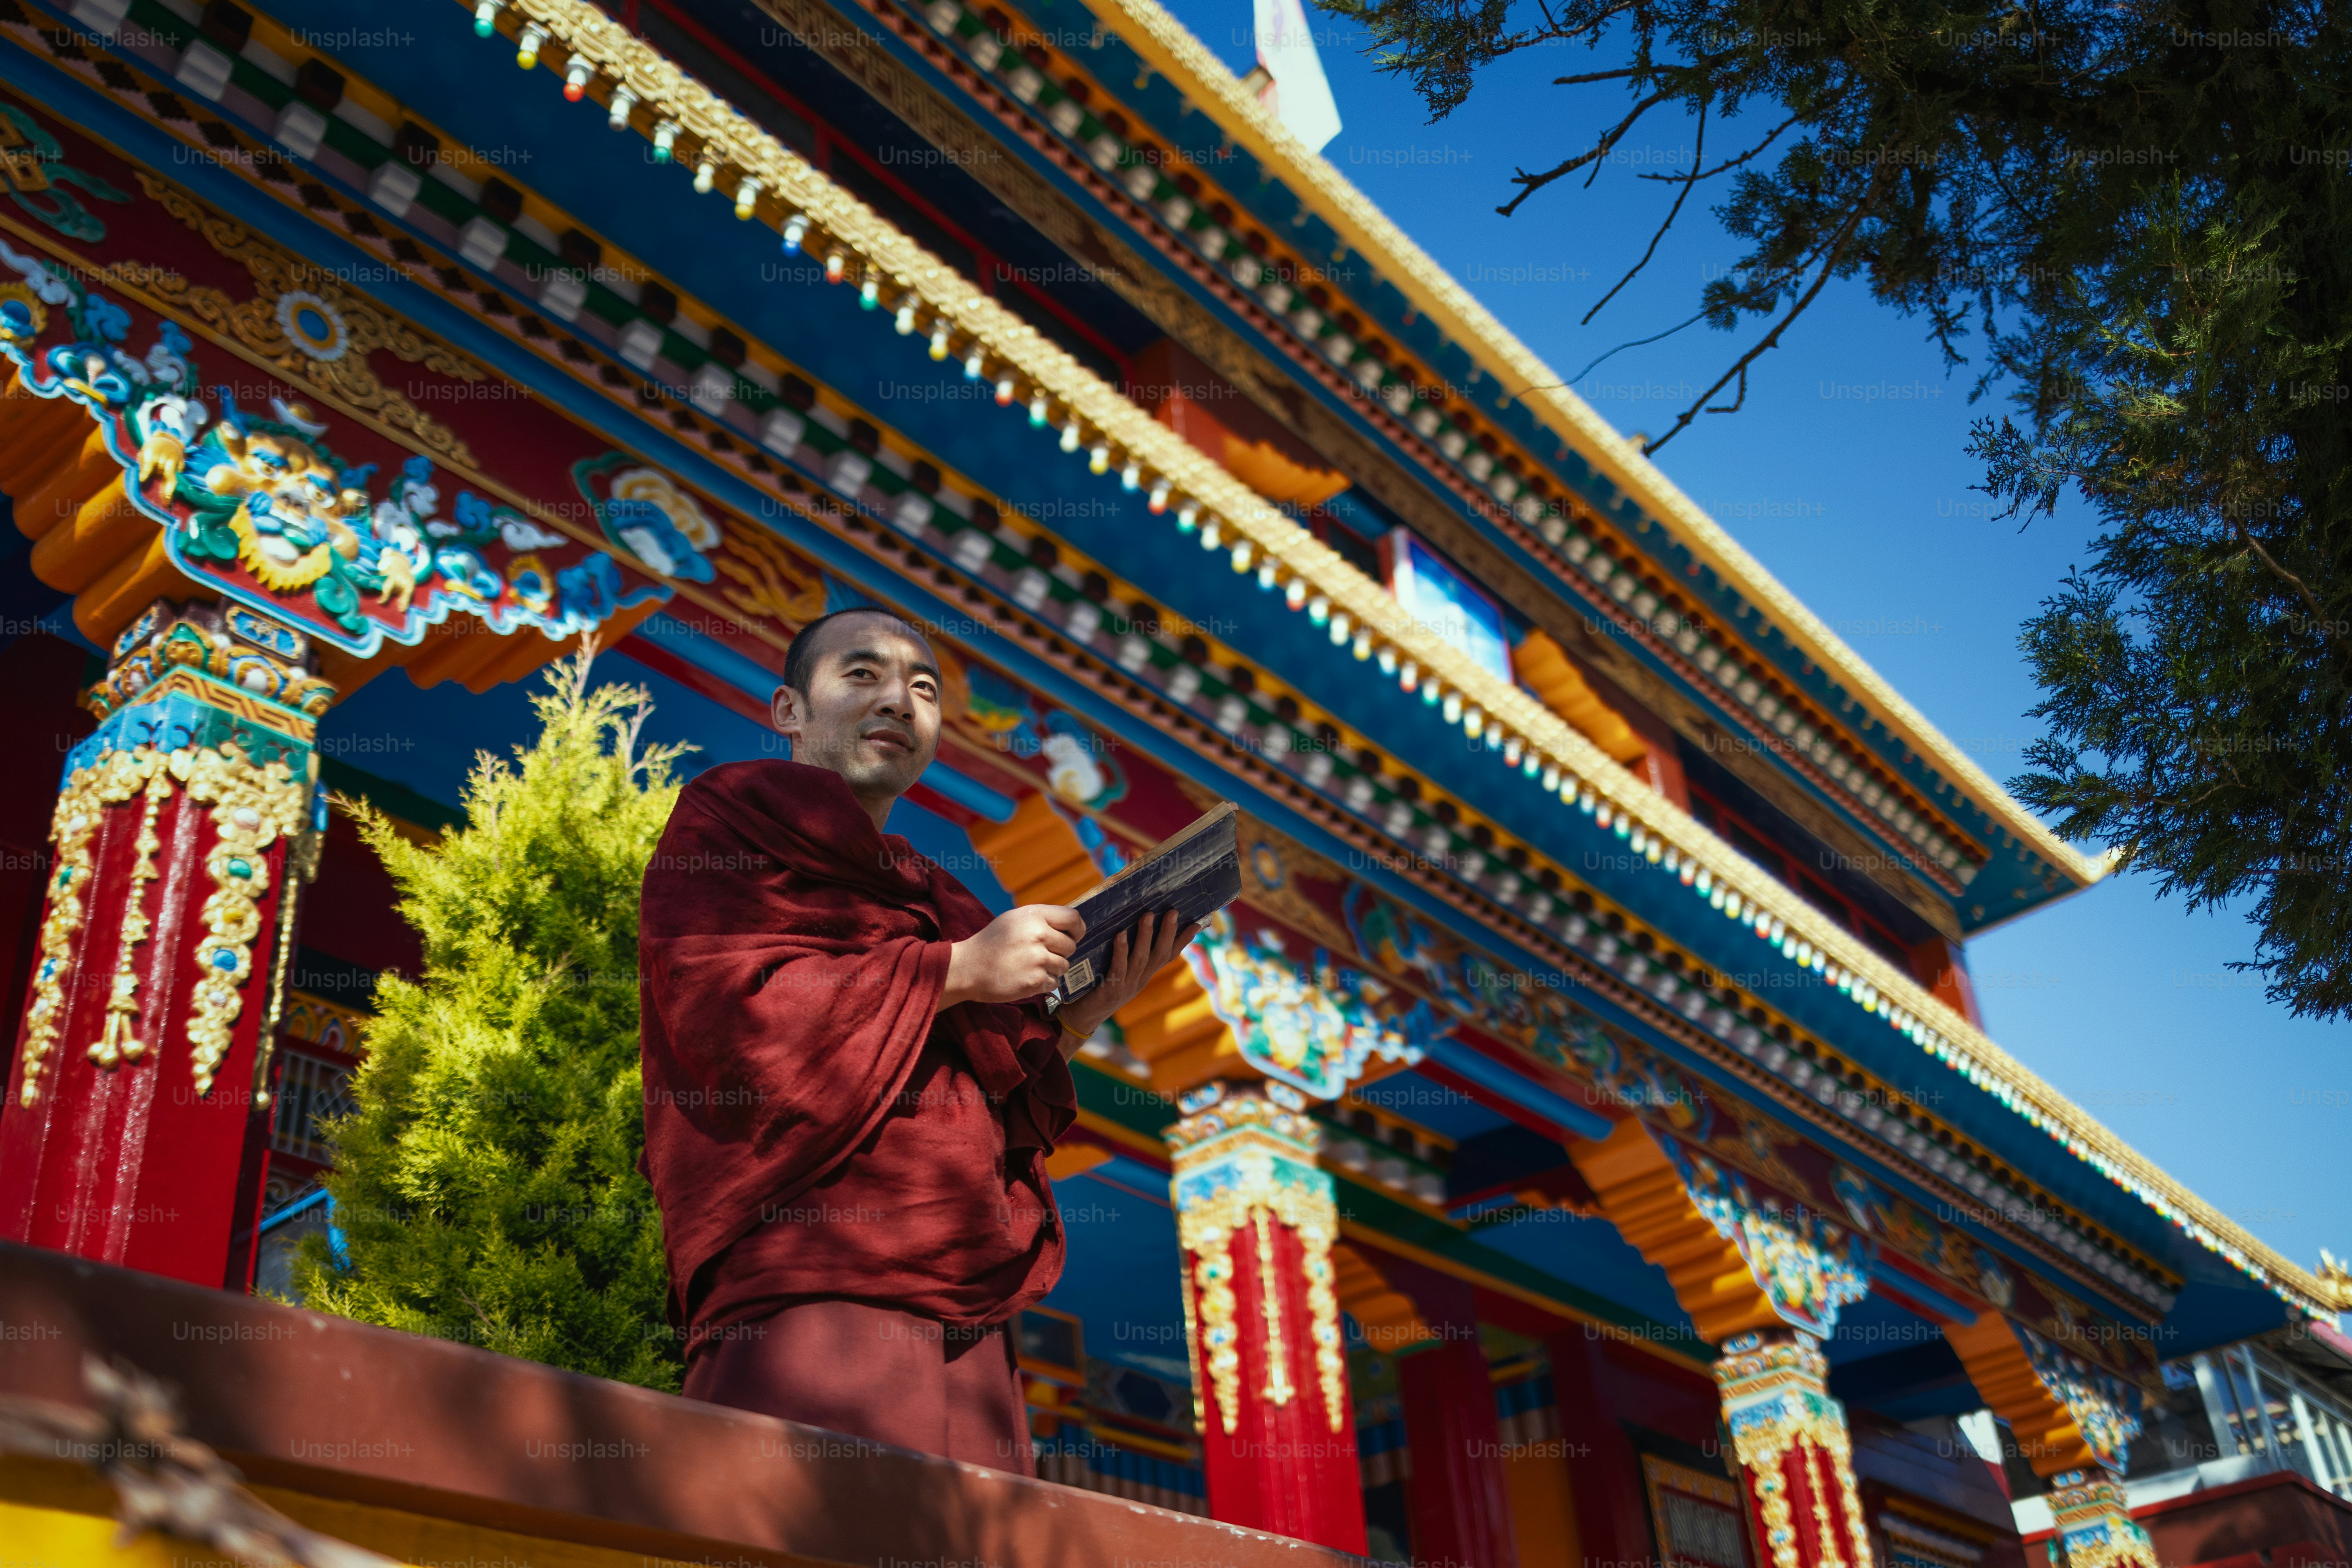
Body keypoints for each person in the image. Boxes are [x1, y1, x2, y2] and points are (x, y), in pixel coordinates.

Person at [637, 605, 1195, 1472]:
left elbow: (992, 1107)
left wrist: (1078, 1017)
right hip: (814, 1274)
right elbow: (734, 1018)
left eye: (923, 688)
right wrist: (961, 971)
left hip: (967, 1292)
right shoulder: (729, 819)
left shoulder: (932, 891)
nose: (899, 699)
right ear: (789, 710)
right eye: (863, 675)